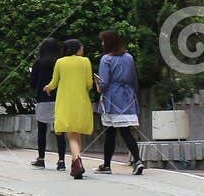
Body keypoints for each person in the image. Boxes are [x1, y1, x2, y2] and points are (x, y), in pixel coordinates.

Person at [95, 30, 145, 175]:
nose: (102, 43)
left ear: (109, 42)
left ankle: (107, 165)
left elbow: (104, 82)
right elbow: (134, 78)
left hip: (112, 97)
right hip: (127, 96)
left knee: (110, 132)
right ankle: (137, 160)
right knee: (126, 131)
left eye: (104, 41)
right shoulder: (128, 57)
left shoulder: (106, 59)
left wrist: (98, 85)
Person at [45, 38, 94, 179]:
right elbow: (88, 84)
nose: (82, 50)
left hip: (65, 101)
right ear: (77, 49)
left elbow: (54, 83)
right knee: (77, 133)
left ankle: (77, 162)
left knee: (71, 134)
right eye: (81, 47)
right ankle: (76, 163)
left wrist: (48, 88)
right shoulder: (86, 62)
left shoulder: (60, 62)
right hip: (81, 101)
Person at [28, 37, 64, 170]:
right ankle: (61, 162)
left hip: (42, 99)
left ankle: (41, 159)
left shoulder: (38, 63)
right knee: (60, 132)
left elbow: (33, 83)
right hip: (59, 99)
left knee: (42, 131)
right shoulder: (60, 63)